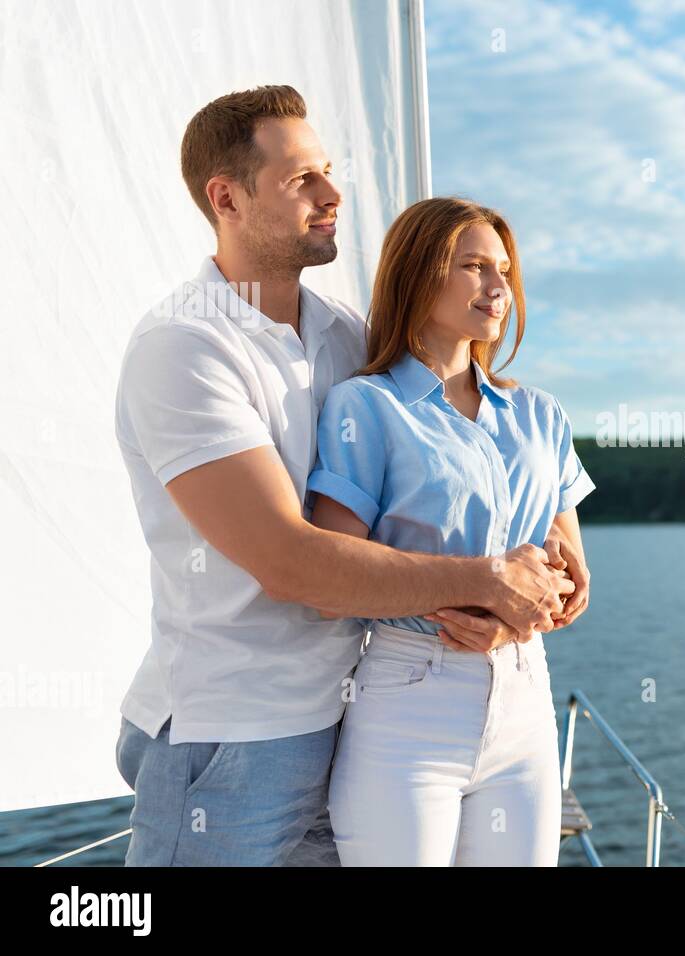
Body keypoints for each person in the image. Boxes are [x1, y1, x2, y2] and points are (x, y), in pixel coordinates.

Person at [112, 86, 578, 866]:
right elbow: (293, 563)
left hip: (355, 718)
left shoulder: (343, 337)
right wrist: (489, 582)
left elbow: (438, 484)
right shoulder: (185, 346)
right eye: (303, 181)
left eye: (329, 172)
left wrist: (511, 609)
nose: (334, 194)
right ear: (225, 198)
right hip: (234, 737)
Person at [308, 197, 595, 865]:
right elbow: (333, 580)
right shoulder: (365, 406)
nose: (498, 288)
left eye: (504, 270)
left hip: (525, 702)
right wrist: (489, 590)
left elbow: (570, 578)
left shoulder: (539, 415)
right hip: (410, 710)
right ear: (420, 272)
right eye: (473, 266)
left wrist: (520, 616)